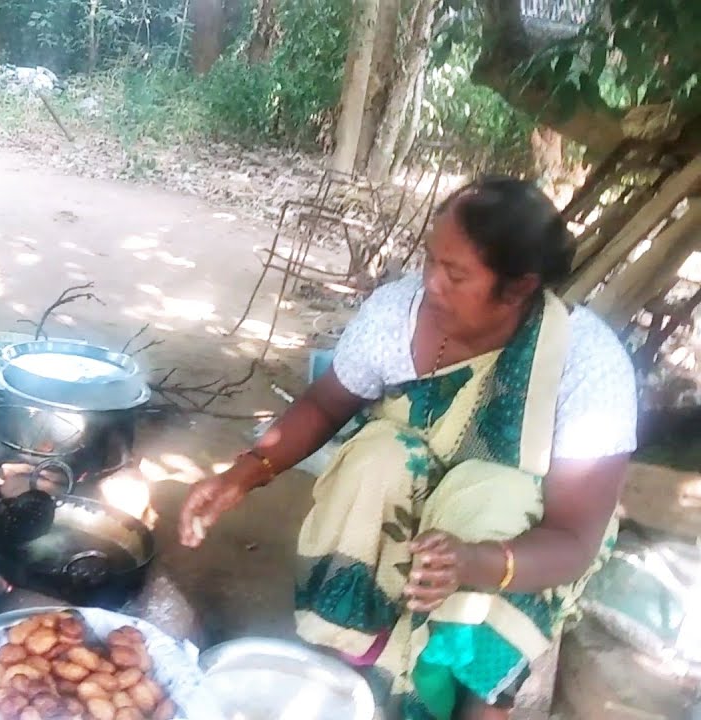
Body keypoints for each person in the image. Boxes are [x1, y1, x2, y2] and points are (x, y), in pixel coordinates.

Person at [179, 177, 638, 720]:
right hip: (415, 491)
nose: (431, 284)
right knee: (376, 456)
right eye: (429, 261)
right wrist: (244, 473)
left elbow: (573, 540)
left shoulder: (586, 365)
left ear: (517, 288)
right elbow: (327, 404)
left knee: (490, 499)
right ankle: (350, 664)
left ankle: (465, 694)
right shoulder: (396, 314)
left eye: (456, 274)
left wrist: (475, 562)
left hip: (516, 534)